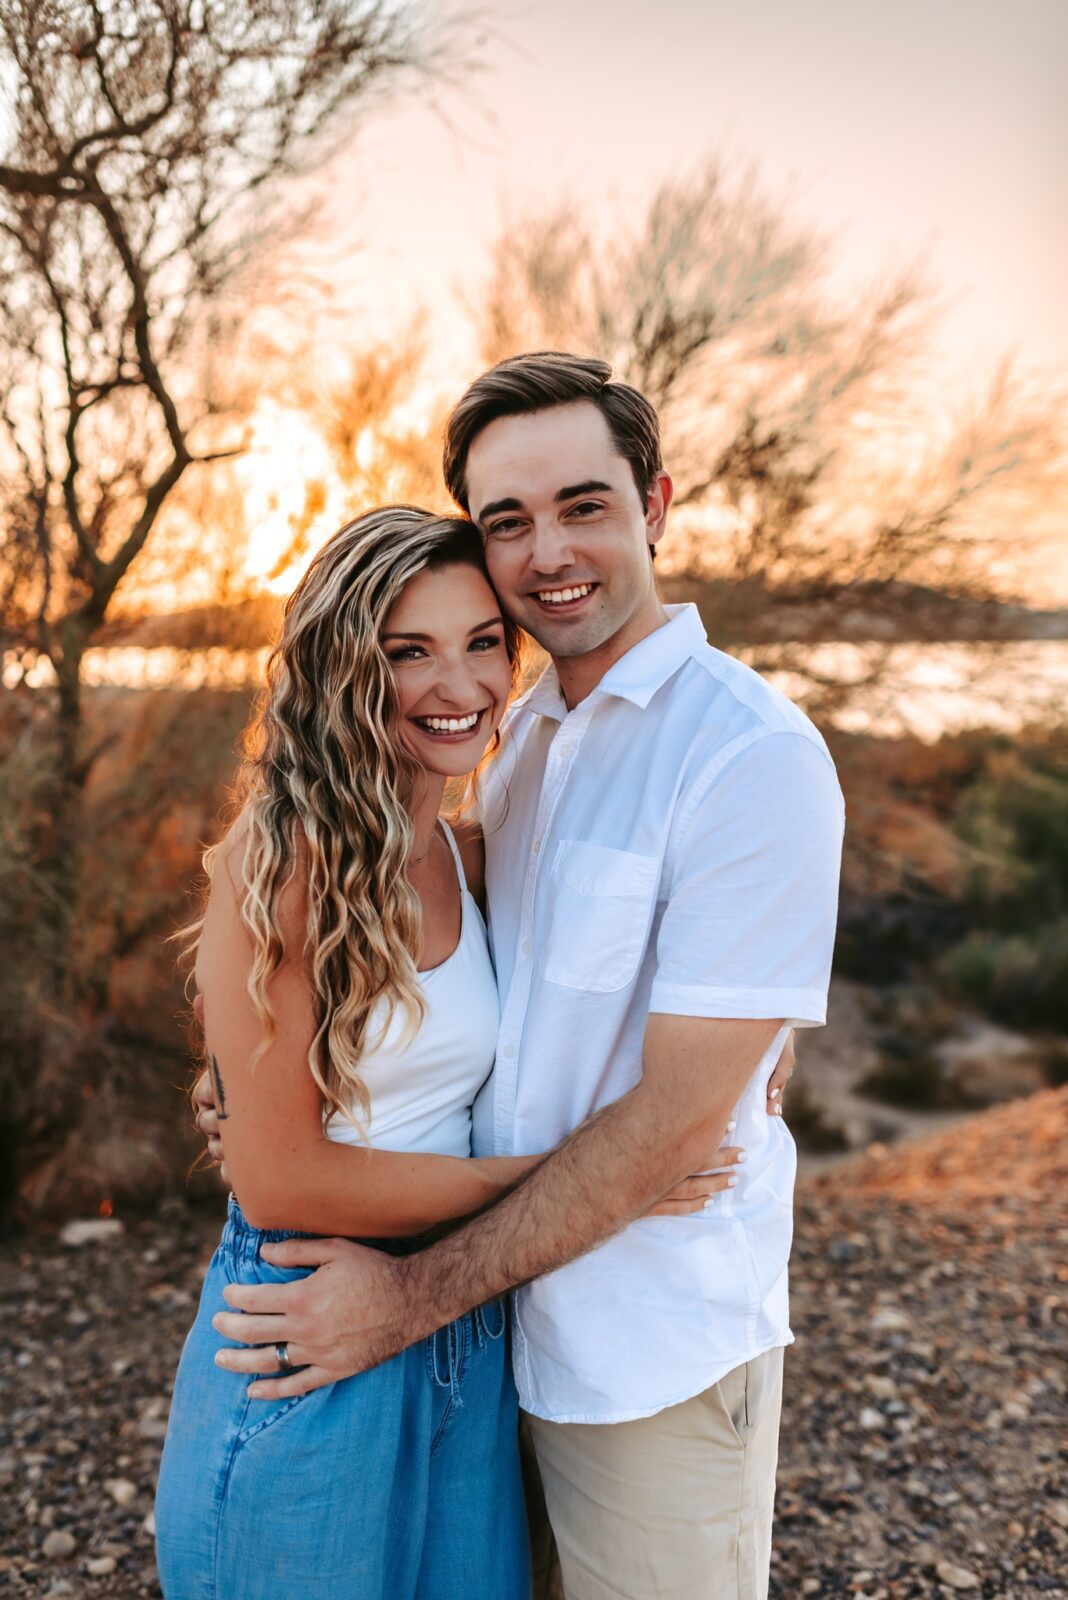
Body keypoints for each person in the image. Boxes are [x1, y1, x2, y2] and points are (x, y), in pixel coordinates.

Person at [200, 352, 844, 1600]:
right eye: (510, 521)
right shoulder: (519, 751)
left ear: (655, 505)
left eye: (585, 505)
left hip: (636, 1353)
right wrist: (249, 1079)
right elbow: (417, 989)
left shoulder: (749, 752)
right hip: (491, 1341)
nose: (549, 550)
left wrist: (404, 1300)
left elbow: (674, 1120)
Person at [155, 504, 744, 1600]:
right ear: (342, 667)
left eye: (482, 642)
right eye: (408, 651)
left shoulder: (464, 853)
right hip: (307, 1323)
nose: (459, 684)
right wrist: (586, 1176)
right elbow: (276, 1173)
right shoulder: (281, 858)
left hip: (459, 1322)